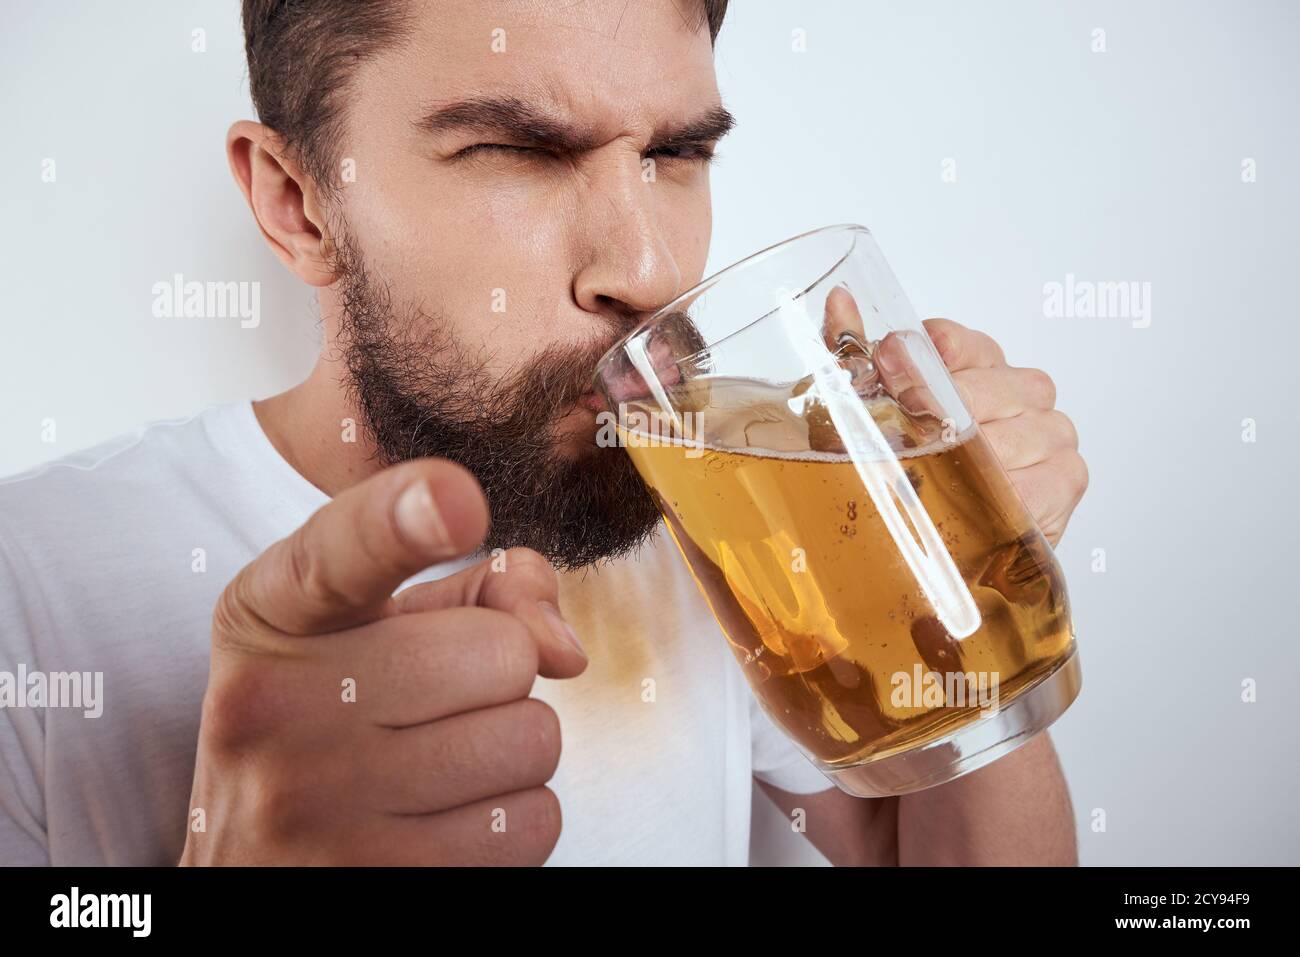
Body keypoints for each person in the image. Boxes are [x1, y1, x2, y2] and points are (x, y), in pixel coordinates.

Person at [0, 0, 1088, 866]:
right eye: (517, 150)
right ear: (298, 204)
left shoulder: (731, 514)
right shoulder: (30, 587)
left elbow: (910, 850)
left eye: (676, 152)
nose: (651, 272)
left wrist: (949, 596)